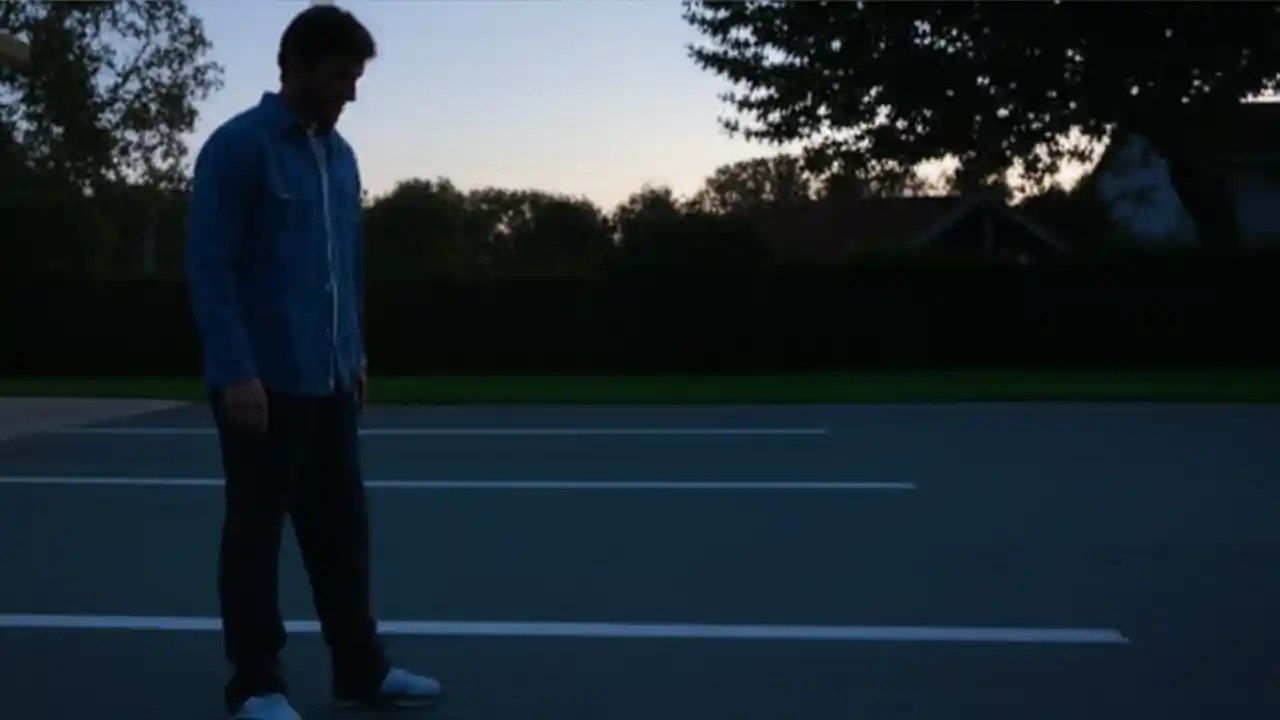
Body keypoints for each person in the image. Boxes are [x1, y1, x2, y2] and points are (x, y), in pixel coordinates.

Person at [186, 5, 440, 719]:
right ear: (293, 66)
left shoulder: (341, 156)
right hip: (262, 384)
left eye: (355, 78)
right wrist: (236, 371)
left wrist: (354, 354)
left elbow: (344, 267)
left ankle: (361, 669)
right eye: (337, 76)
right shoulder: (239, 148)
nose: (350, 92)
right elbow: (212, 266)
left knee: (342, 534)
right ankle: (256, 686)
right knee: (256, 535)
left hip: (328, 377)